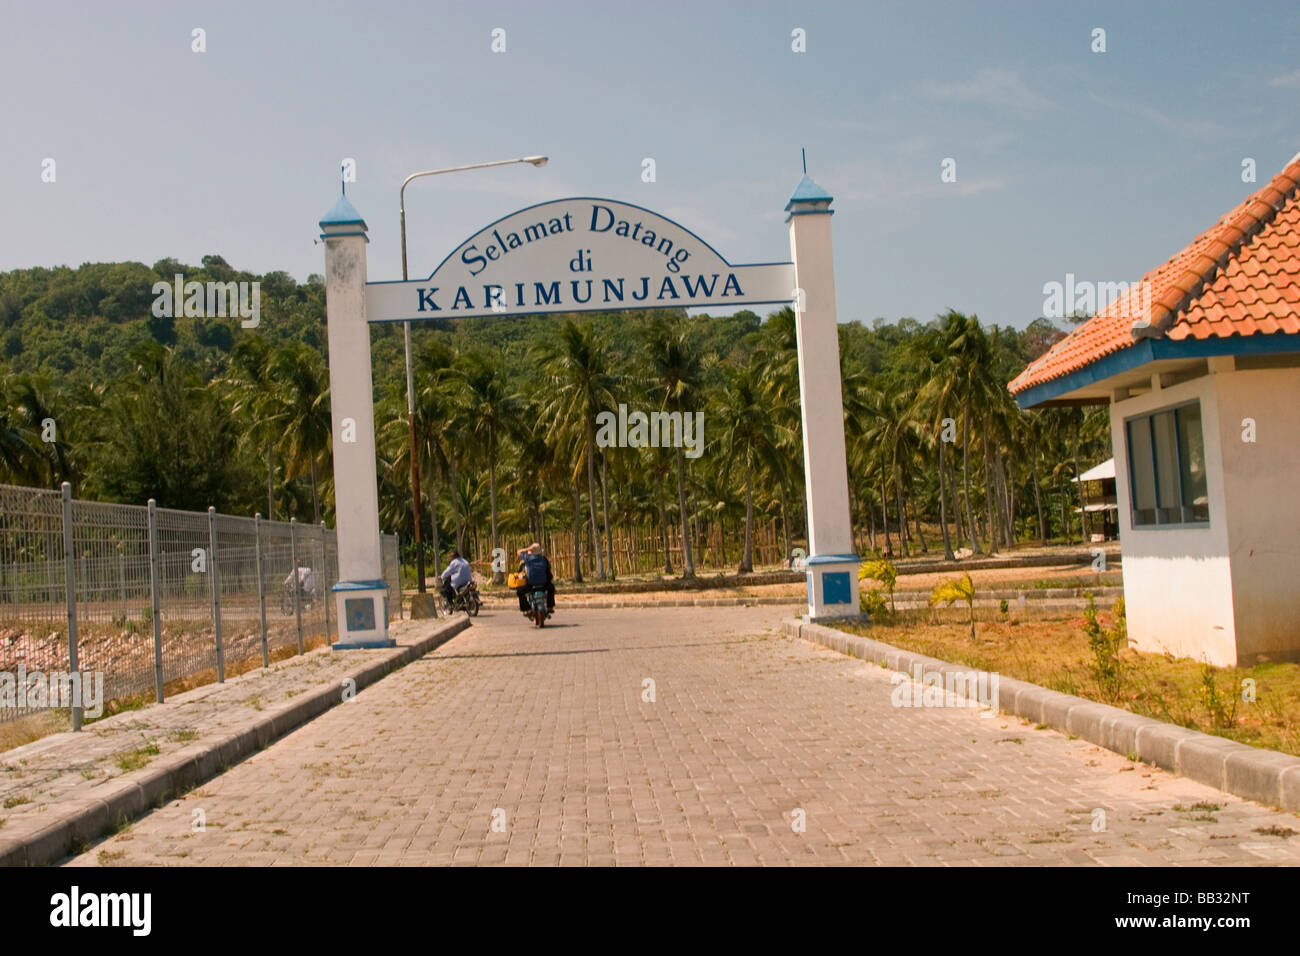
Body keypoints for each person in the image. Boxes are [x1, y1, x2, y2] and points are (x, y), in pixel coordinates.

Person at [514, 542, 555, 614]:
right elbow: (548, 569)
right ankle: (550, 607)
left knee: (519, 592)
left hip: (531, 583)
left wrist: (528, 548)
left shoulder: (527, 558)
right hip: (543, 583)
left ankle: (527, 609)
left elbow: (519, 551)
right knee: (551, 589)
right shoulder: (544, 559)